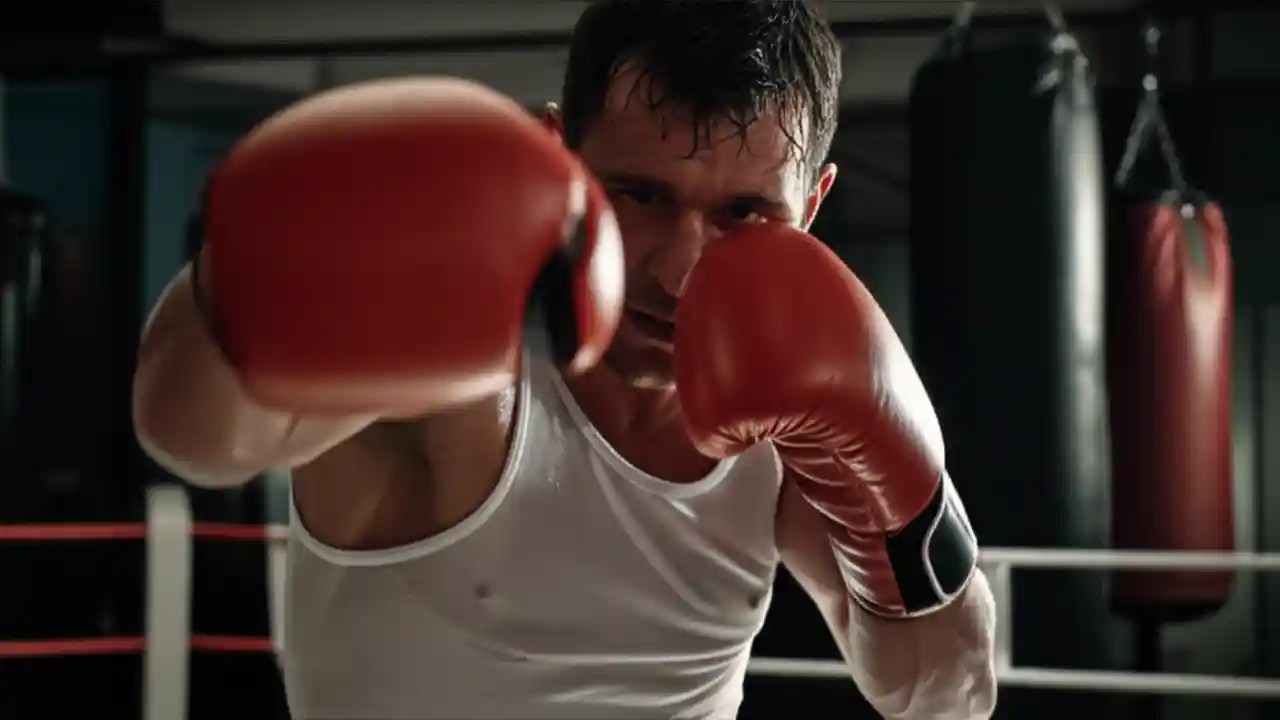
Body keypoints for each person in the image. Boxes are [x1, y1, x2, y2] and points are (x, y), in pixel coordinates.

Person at [132, 1, 998, 718]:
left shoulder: (793, 405)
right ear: (559, 157)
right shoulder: (458, 370)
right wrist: (256, 271)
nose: (677, 269)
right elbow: (194, 428)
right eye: (641, 195)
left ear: (812, 204)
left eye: (744, 215)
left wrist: (909, 504)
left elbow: (943, 697)